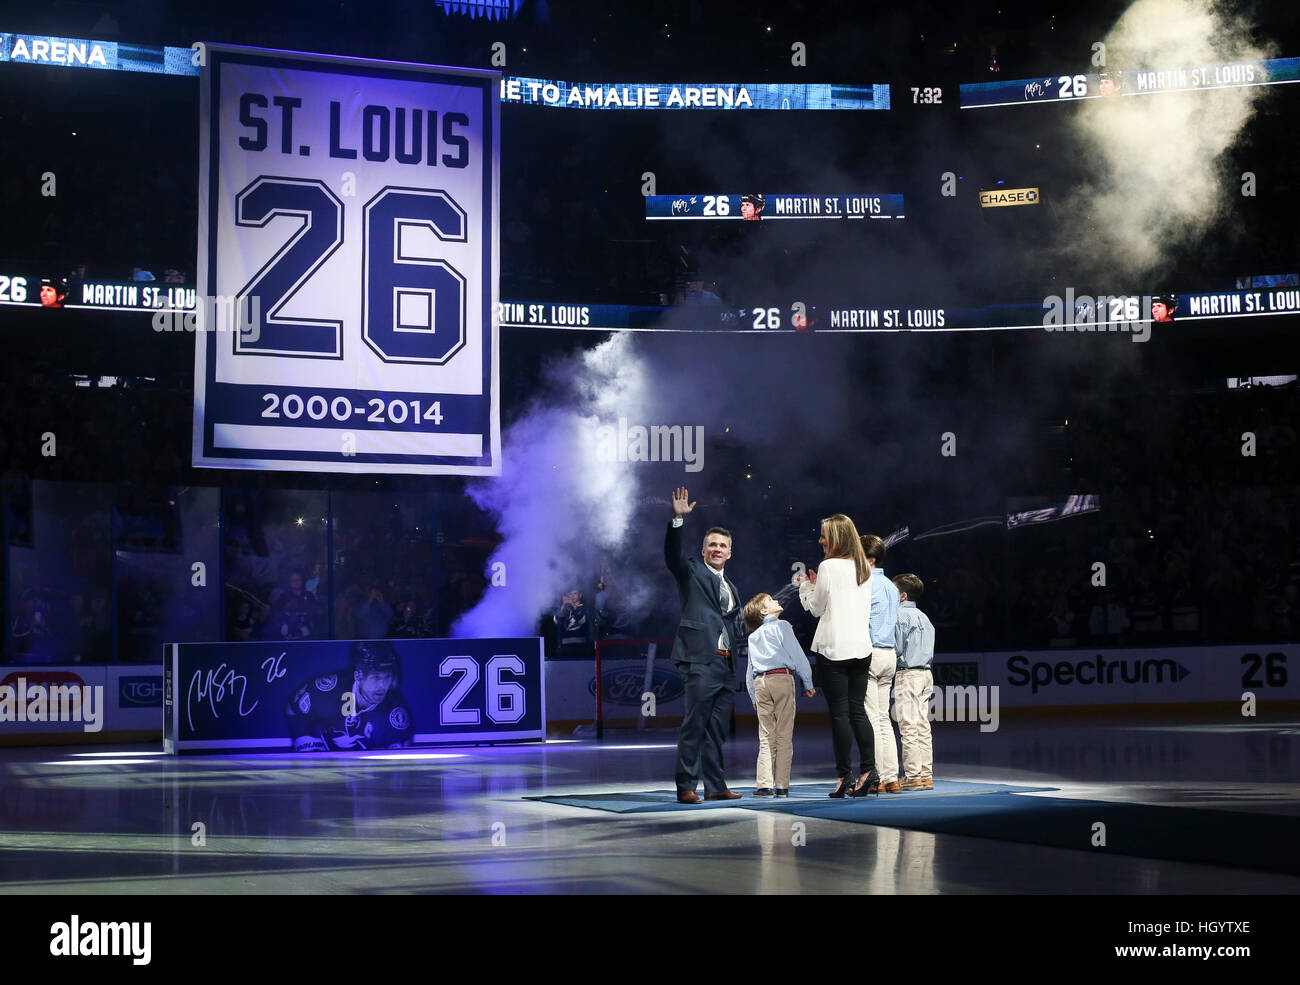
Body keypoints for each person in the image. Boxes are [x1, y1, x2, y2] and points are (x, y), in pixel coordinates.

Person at [665, 486, 742, 804]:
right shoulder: (691, 570)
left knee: (716, 730)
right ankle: (685, 784)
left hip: (725, 664)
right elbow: (672, 556)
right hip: (699, 659)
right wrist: (677, 520)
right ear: (703, 548)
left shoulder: (731, 586)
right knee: (695, 724)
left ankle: (715, 785)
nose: (717, 549)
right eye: (712, 544)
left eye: (722, 545)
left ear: (729, 552)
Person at [799, 514, 878, 798]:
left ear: (836, 538)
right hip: (862, 648)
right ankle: (869, 771)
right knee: (858, 711)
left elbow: (817, 608)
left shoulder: (828, 566)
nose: (820, 540)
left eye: (823, 535)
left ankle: (844, 776)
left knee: (840, 716)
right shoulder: (864, 567)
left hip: (834, 648)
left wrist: (806, 588)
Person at [743, 592, 815, 798]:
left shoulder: (753, 636)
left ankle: (764, 786)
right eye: (770, 600)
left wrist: (752, 696)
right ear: (764, 611)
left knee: (765, 735)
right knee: (784, 734)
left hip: (760, 683)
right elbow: (797, 655)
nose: (776, 600)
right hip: (781, 679)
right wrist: (807, 681)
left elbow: (750, 669)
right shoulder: (783, 626)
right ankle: (782, 785)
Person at [285, 640, 414, 751]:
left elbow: (395, 766)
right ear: (358, 676)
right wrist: (304, 741)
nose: (383, 686)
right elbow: (293, 706)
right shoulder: (328, 691)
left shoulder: (397, 714)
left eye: (387, 677)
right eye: (376, 677)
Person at [861, 534, 902, 792]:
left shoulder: (866, 584)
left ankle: (876, 777)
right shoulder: (890, 585)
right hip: (889, 654)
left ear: (871, 559)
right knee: (884, 718)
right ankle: (892, 778)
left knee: (872, 718)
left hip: (872, 652)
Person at [893, 574, 936, 791]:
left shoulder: (899, 616)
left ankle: (912, 776)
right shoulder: (925, 617)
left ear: (902, 595)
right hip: (926, 674)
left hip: (908, 673)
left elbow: (898, 648)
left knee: (909, 727)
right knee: (922, 725)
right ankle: (926, 775)